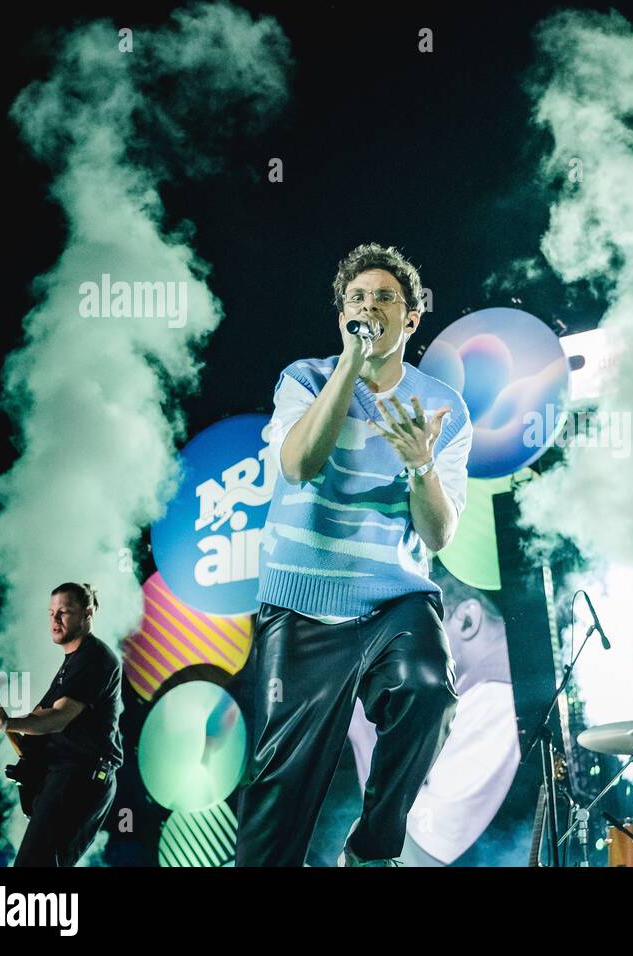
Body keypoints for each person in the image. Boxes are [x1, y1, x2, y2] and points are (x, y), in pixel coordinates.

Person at [236, 242, 471, 867]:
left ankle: (371, 851)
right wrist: (349, 365)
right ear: (343, 315)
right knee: (281, 786)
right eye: (357, 299)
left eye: (385, 298)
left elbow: (440, 534)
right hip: (304, 600)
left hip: (395, 596)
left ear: (411, 318)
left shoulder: (442, 406)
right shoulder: (305, 378)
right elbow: (299, 463)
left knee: (427, 692)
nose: (369, 307)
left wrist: (422, 464)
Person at [0, 582, 123, 866]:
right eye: (51, 612)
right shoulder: (74, 660)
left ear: (87, 613)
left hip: (81, 778)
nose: (54, 620)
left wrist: (7, 722)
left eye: (64, 612)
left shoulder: (94, 659)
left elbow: (58, 717)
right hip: (68, 777)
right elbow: (44, 717)